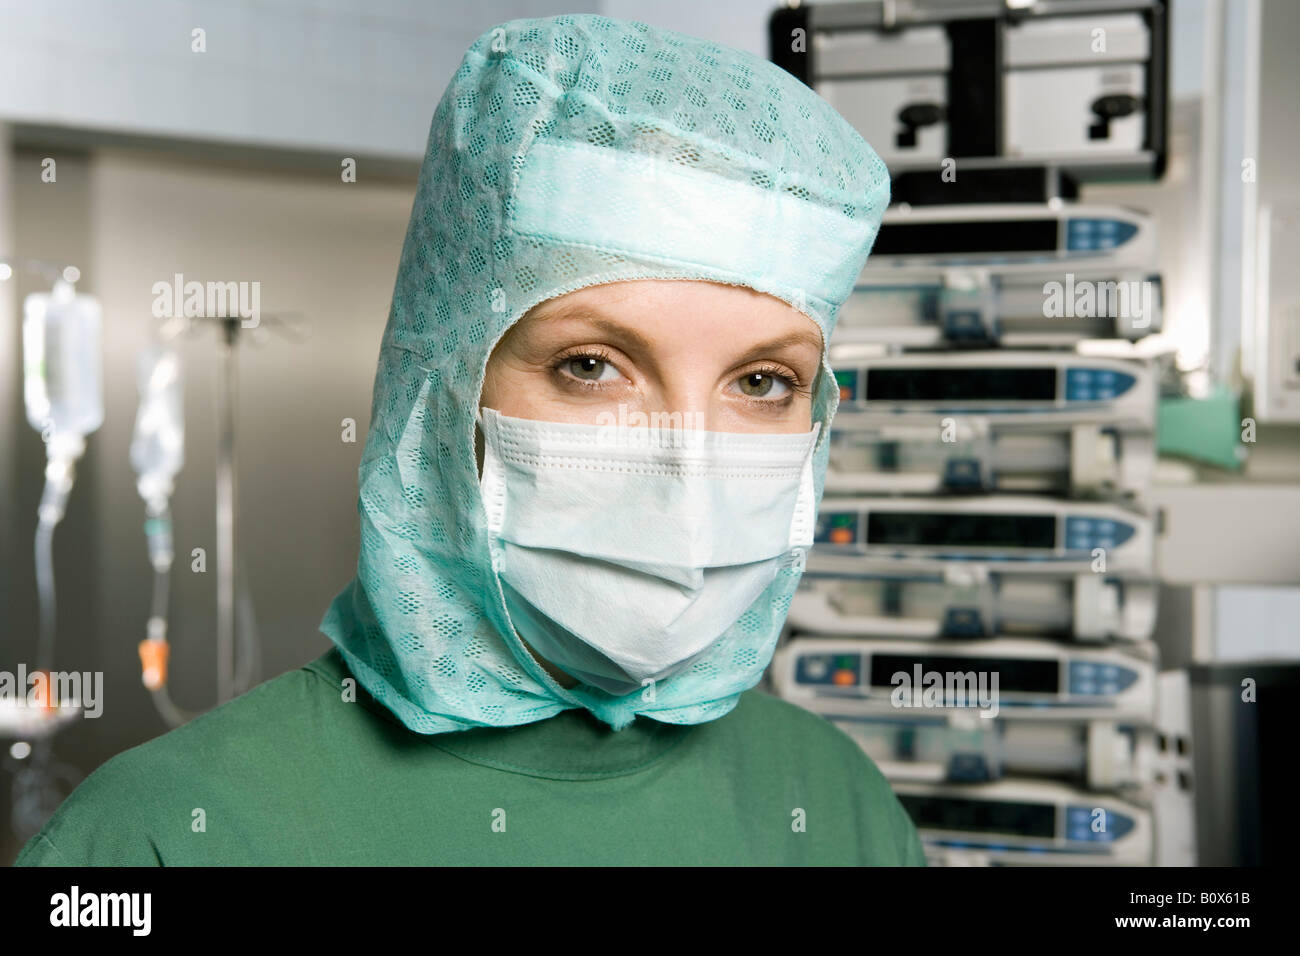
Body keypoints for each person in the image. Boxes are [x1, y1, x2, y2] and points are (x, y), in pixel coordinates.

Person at [15, 13, 923, 866]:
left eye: (762, 382)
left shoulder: (832, 805)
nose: (686, 469)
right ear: (441, 394)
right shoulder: (165, 836)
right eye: (592, 366)